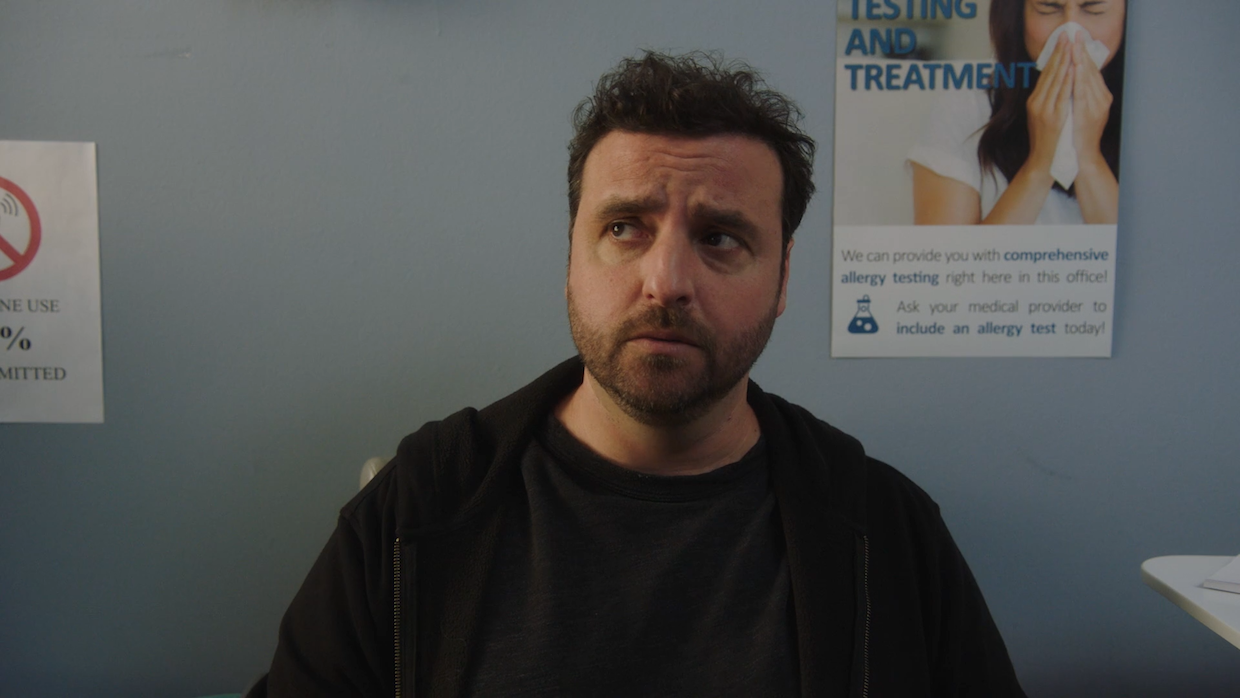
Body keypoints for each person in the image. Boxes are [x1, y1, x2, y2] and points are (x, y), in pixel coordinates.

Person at [250, 51, 1025, 697]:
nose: (666, 280)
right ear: (570, 260)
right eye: (624, 229)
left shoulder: (885, 529)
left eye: (721, 237)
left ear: (784, 278)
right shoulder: (420, 506)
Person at [910, 0, 1126, 225]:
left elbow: (1146, 258)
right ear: (1017, 15)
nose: (1071, 34)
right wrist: (1040, 164)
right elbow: (945, 259)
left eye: (1094, 10)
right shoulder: (965, 110)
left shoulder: (1156, 116)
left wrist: (1088, 158)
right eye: (1048, 8)